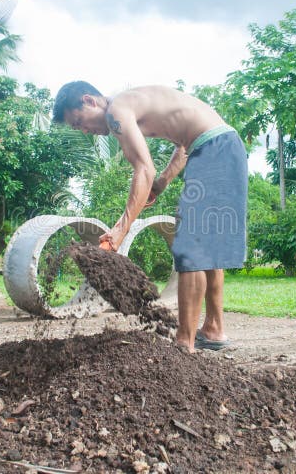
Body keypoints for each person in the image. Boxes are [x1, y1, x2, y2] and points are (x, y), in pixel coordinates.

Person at [52, 82, 248, 352]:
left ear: (89, 101)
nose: (85, 131)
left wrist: (120, 230)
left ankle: (184, 344)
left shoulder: (116, 110)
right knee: (207, 245)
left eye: (79, 122)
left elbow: (144, 168)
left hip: (213, 148)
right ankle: (213, 329)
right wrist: (162, 184)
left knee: (191, 247)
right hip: (220, 146)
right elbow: (182, 147)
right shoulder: (138, 105)